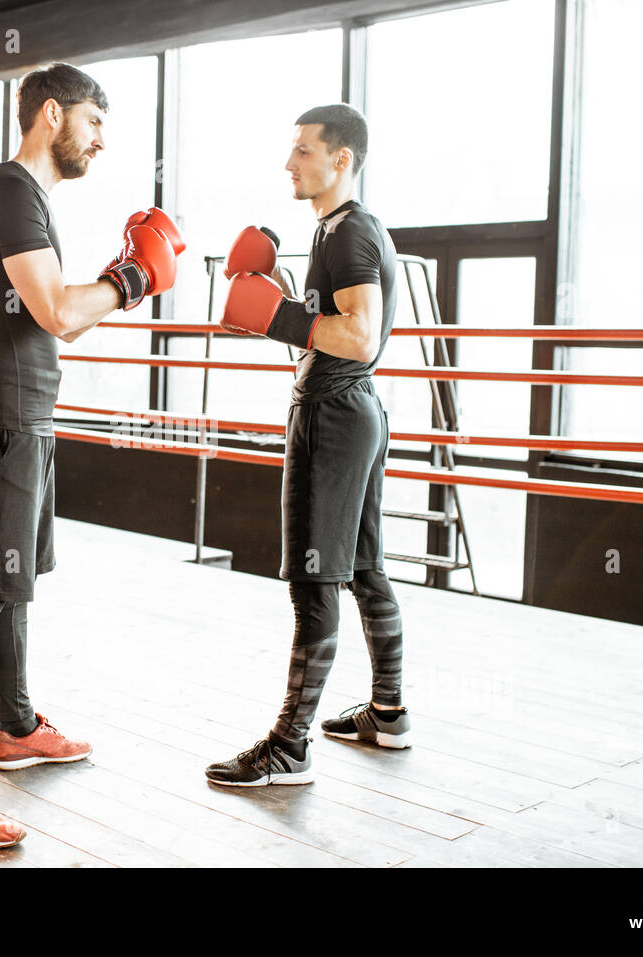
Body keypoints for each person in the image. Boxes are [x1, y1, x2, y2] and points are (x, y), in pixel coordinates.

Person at [0, 62, 185, 845]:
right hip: (2, 410)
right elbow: (59, 311)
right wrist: (132, 277)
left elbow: (54, 315)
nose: (101, 141)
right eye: (95, 123)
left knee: (11, 581)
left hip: (26, 412)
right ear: (52, 115)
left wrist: (120, 280)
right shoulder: (7, 191)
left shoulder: (26, 199)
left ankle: (20, 725)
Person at [205, 103, 407, 787]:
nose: (289, 163)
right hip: (356, 409)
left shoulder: (349, 234)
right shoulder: (342, 232)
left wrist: (279, 313)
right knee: (365, 567)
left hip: (333, 417)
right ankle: (388, 712)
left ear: (340, 158)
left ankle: (288, 748)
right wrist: (281, 311)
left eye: (302, 150)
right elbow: (331, 329)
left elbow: (360, 337)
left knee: (314, 579)